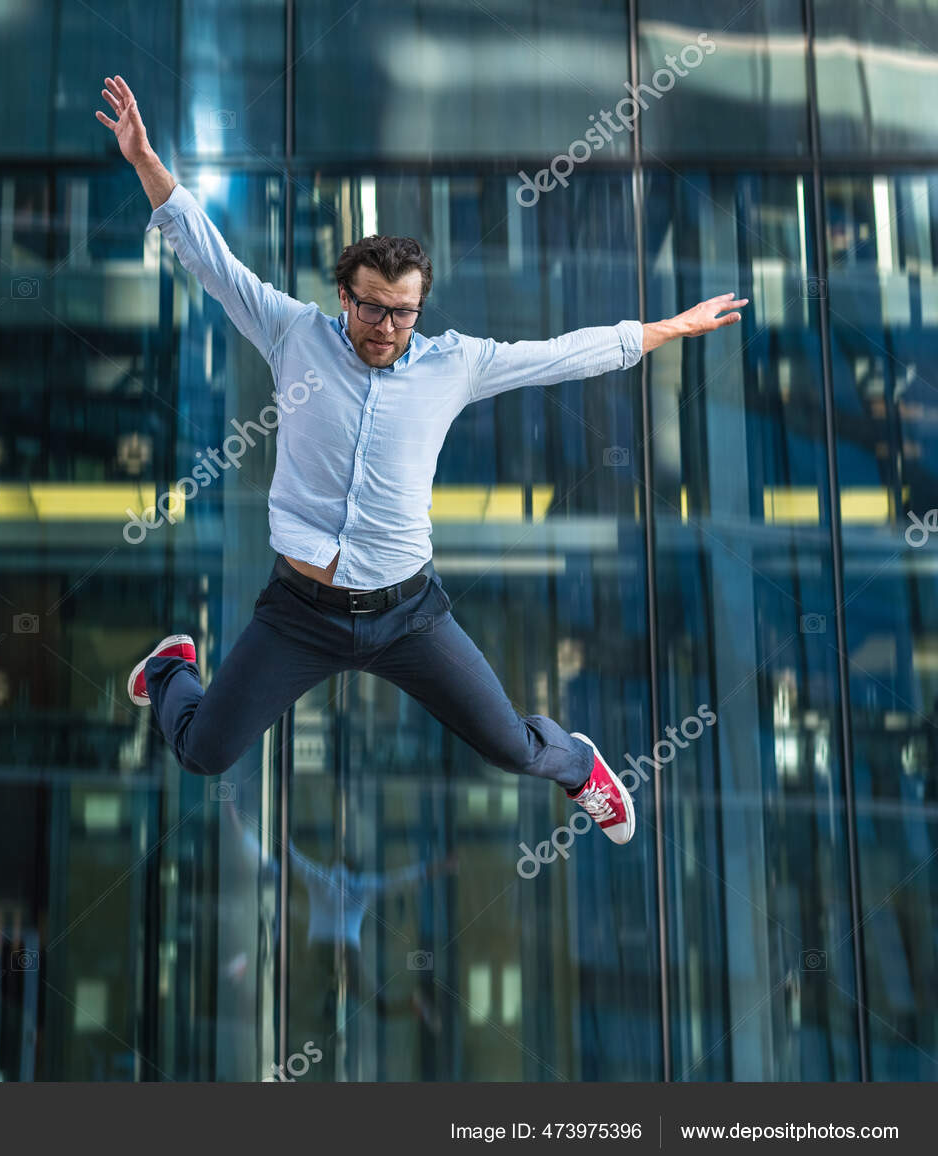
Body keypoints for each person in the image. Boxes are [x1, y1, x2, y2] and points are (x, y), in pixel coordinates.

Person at [97, 75, 746, 847]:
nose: (385, 324)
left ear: (420, 309)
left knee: (509, 746)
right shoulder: (293, 334)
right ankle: (173, 666)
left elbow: (559, 356)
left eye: (402, 311)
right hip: (300, 613)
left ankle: (579, 764)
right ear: (344, 294)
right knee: (203, 752)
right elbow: (210, 258)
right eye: (370, 305)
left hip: (408, 615)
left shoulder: (455, 363)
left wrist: (663, 330)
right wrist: (144, 161)